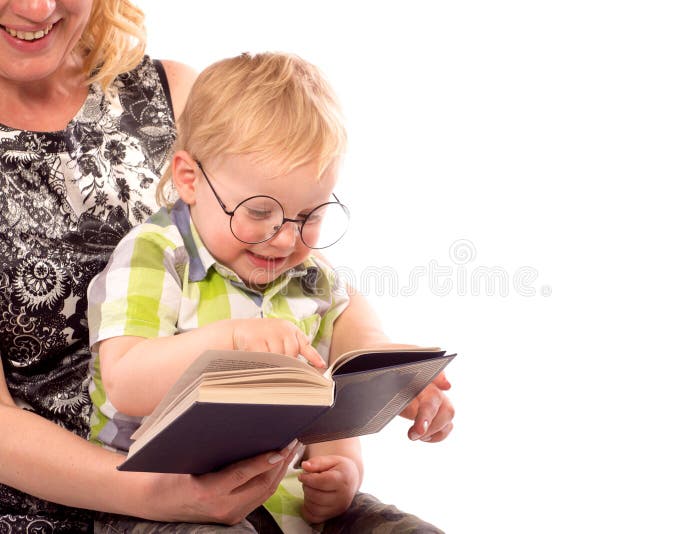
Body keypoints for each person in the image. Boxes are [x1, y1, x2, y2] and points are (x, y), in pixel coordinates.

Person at [0, 1, 453, 532]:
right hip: (132, 498)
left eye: (310, 217)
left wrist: (392, 381)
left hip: (281, 495)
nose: (285, 238)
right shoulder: (154, 254)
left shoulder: (278, 241)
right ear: (187, 179)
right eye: (259, 213)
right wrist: (230, 344)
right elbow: (125, 379)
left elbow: (339, 319)